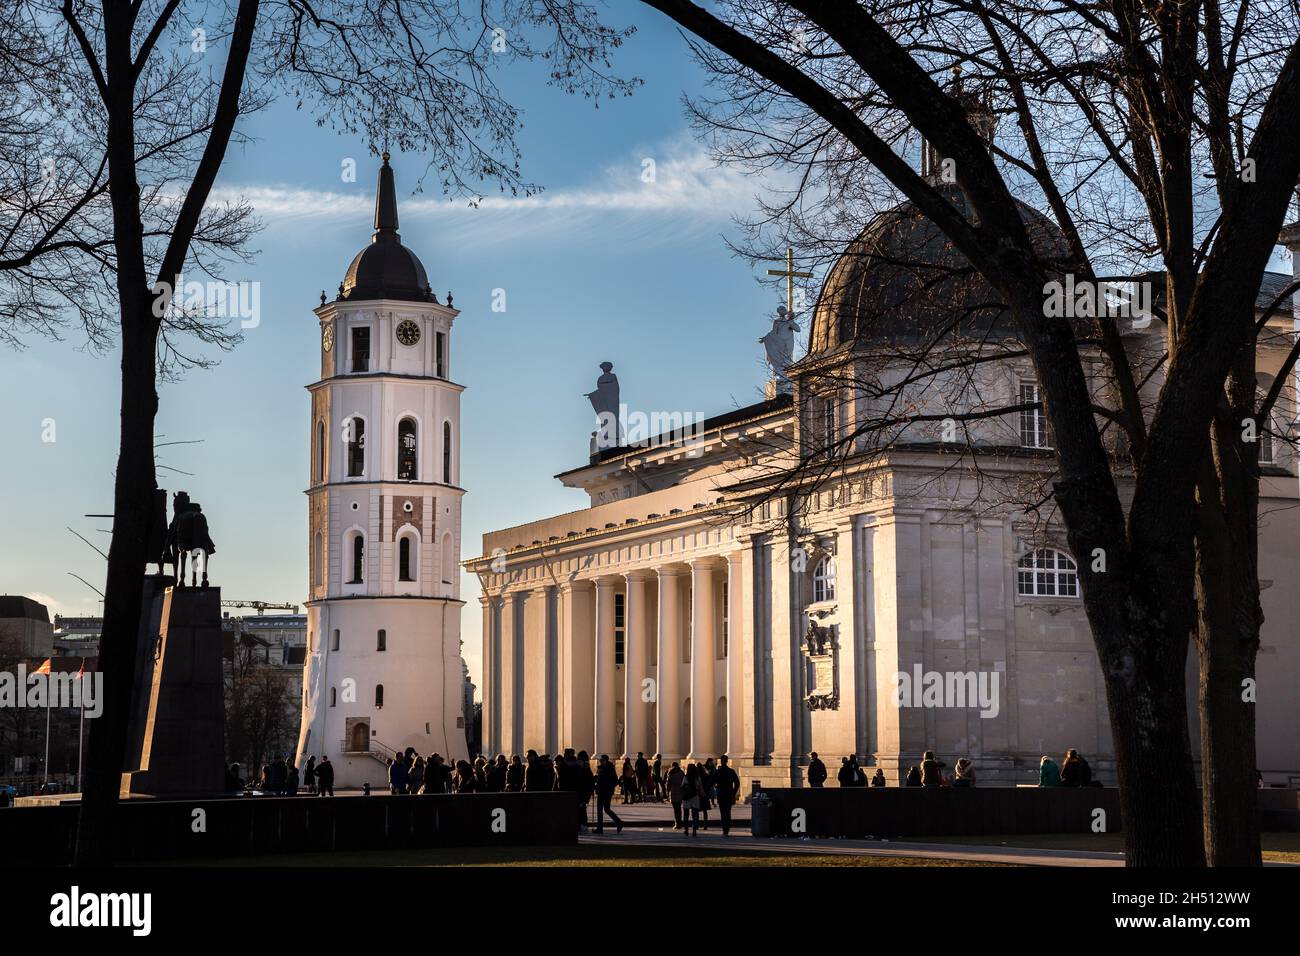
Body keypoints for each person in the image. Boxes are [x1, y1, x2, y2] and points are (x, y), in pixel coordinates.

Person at [593, 754, 624, 834]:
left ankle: (601, 828)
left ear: (606, 760)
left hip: (606, 792)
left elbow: (615, 780)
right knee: (603, 809)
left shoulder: (610, 769)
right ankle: (618, 822)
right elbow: (598, 779)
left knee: (604, 809)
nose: (601, 761)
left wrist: (609, 788)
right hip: (601, 791)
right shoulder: (601, 769)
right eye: (600, 760)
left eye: (602, 760)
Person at [714, 755, 741, 836]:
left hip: (721, 794)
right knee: (728, 812)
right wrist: (733, 792)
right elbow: (737, 783)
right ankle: (727, 828)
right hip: (729, 794)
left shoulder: (718, 771)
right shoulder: (731, 771)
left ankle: (724, 829)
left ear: (721, 761)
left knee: (722, 812)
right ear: (727, 761)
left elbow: (712, 782)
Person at [681, 764, 703, 836]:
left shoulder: (685, 777)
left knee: (686, 815)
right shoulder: (697, 777)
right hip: (695, 797)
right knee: (695, 815)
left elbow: (682, 786)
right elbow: (700, 787)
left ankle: (686, 830)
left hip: (687, 797)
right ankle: (694, 830)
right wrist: (703, 794)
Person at [666, 761, 685, 829]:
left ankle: (677, 823)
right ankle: (680, 823)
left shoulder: (671, 773)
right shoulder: (682, 773)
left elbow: (668, 784)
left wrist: (667, 792)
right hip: (680, 792)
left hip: (673, 792)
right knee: (679, 809)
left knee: (675, 809)